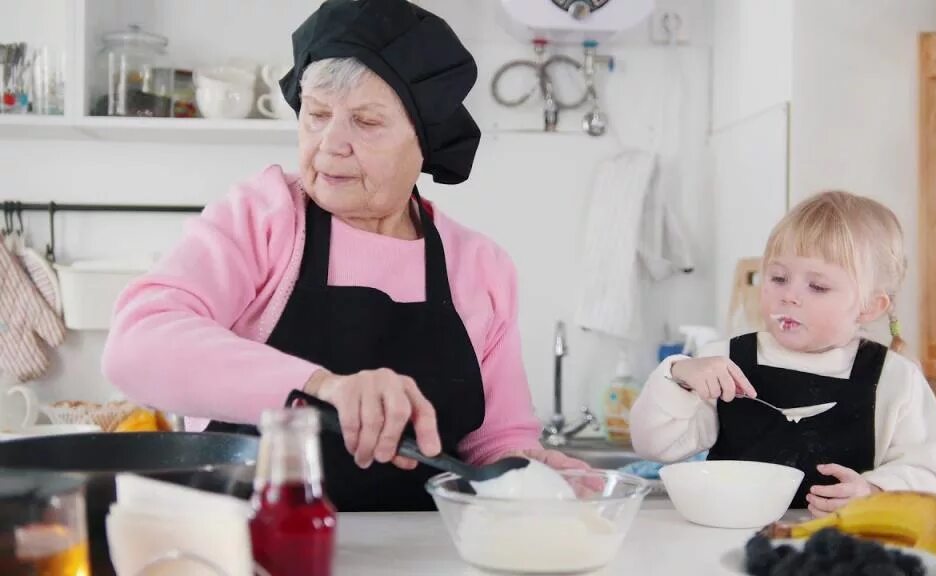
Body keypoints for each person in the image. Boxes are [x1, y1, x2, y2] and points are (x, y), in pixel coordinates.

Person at [102, 0, 581, 512]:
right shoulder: (264, 218)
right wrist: (320, 388)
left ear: (426, 139)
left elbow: (494, 444)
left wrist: (528, 472)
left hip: (425, 556)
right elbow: (136, 345)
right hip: (253, 546)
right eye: (317, 114)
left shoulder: (479, 266)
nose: (331, 144)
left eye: (367, 122)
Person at [629, 191, 936, 516]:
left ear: (870, 307)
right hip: (729, 537)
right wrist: (679, 378)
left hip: (842, 547)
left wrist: (874, 491)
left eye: (818, 287)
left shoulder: (896, 379)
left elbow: (926, 474)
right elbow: (653, 446)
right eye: (779, 278)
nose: (790, 296)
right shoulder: (724, 360)